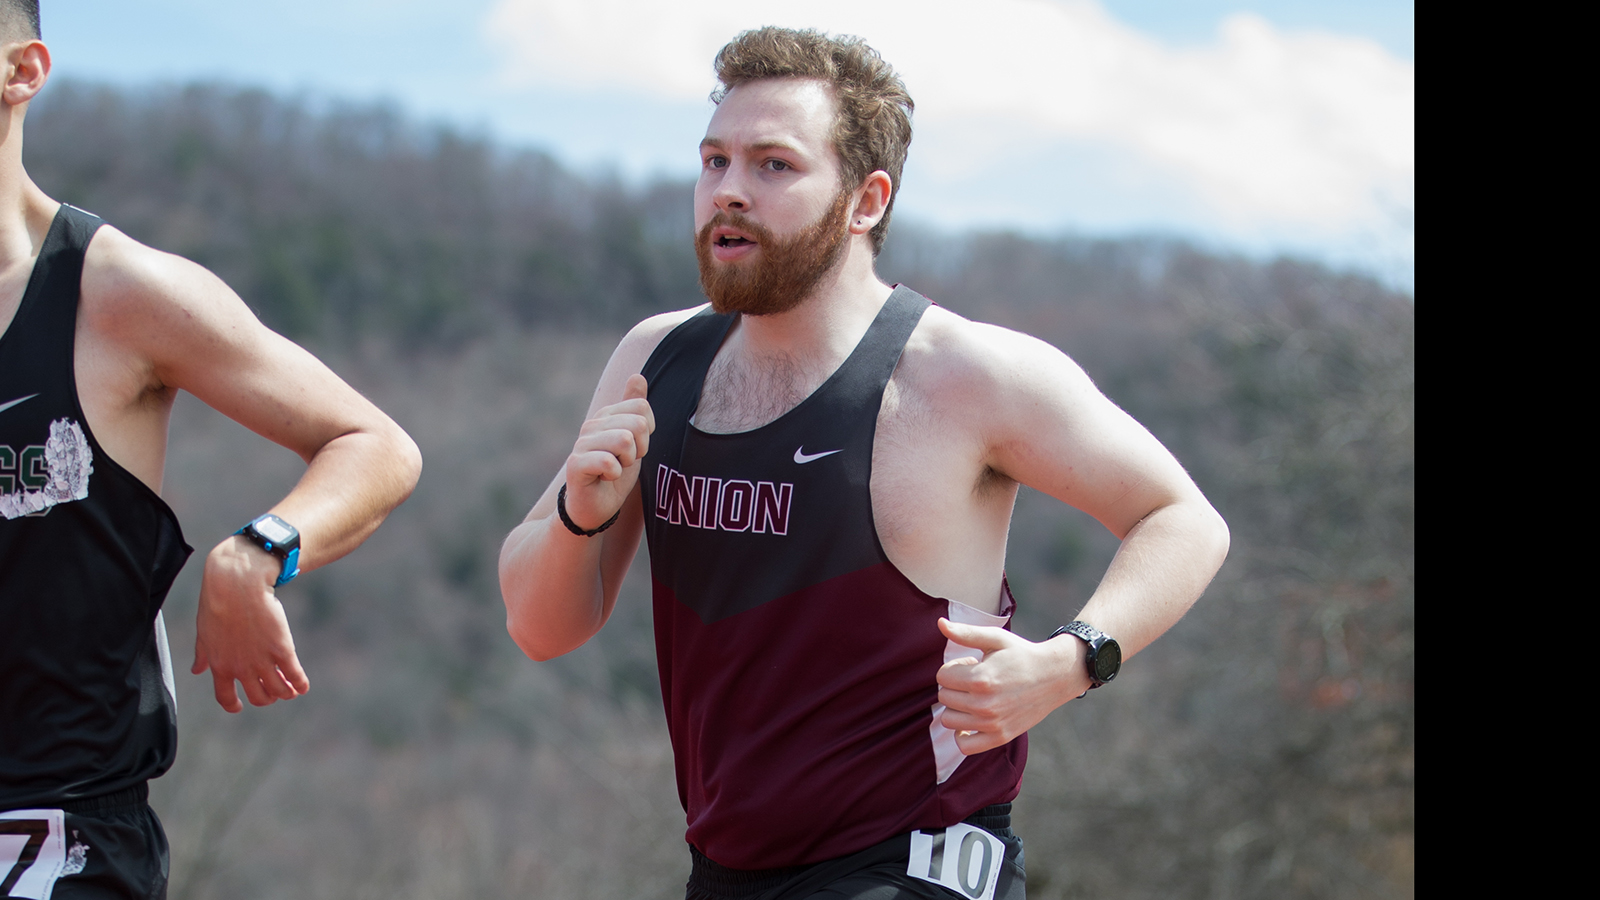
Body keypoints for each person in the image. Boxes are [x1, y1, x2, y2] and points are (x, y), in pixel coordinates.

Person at [499, 26, 1229, 900]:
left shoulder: (967, 376)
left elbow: (1183, 520)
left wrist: (1073, 659)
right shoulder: (657, 361)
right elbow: (542, 628)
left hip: (917, 859)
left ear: (865, 199)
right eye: (714, 161)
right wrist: (583, 515)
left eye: (774, 166)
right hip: (728, 869)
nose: (728, 191)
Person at [0, 4, 423, 898]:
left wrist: (257, 552)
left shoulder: (115, 295)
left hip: (56, 842)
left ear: (21, 71)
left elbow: (374, 444)